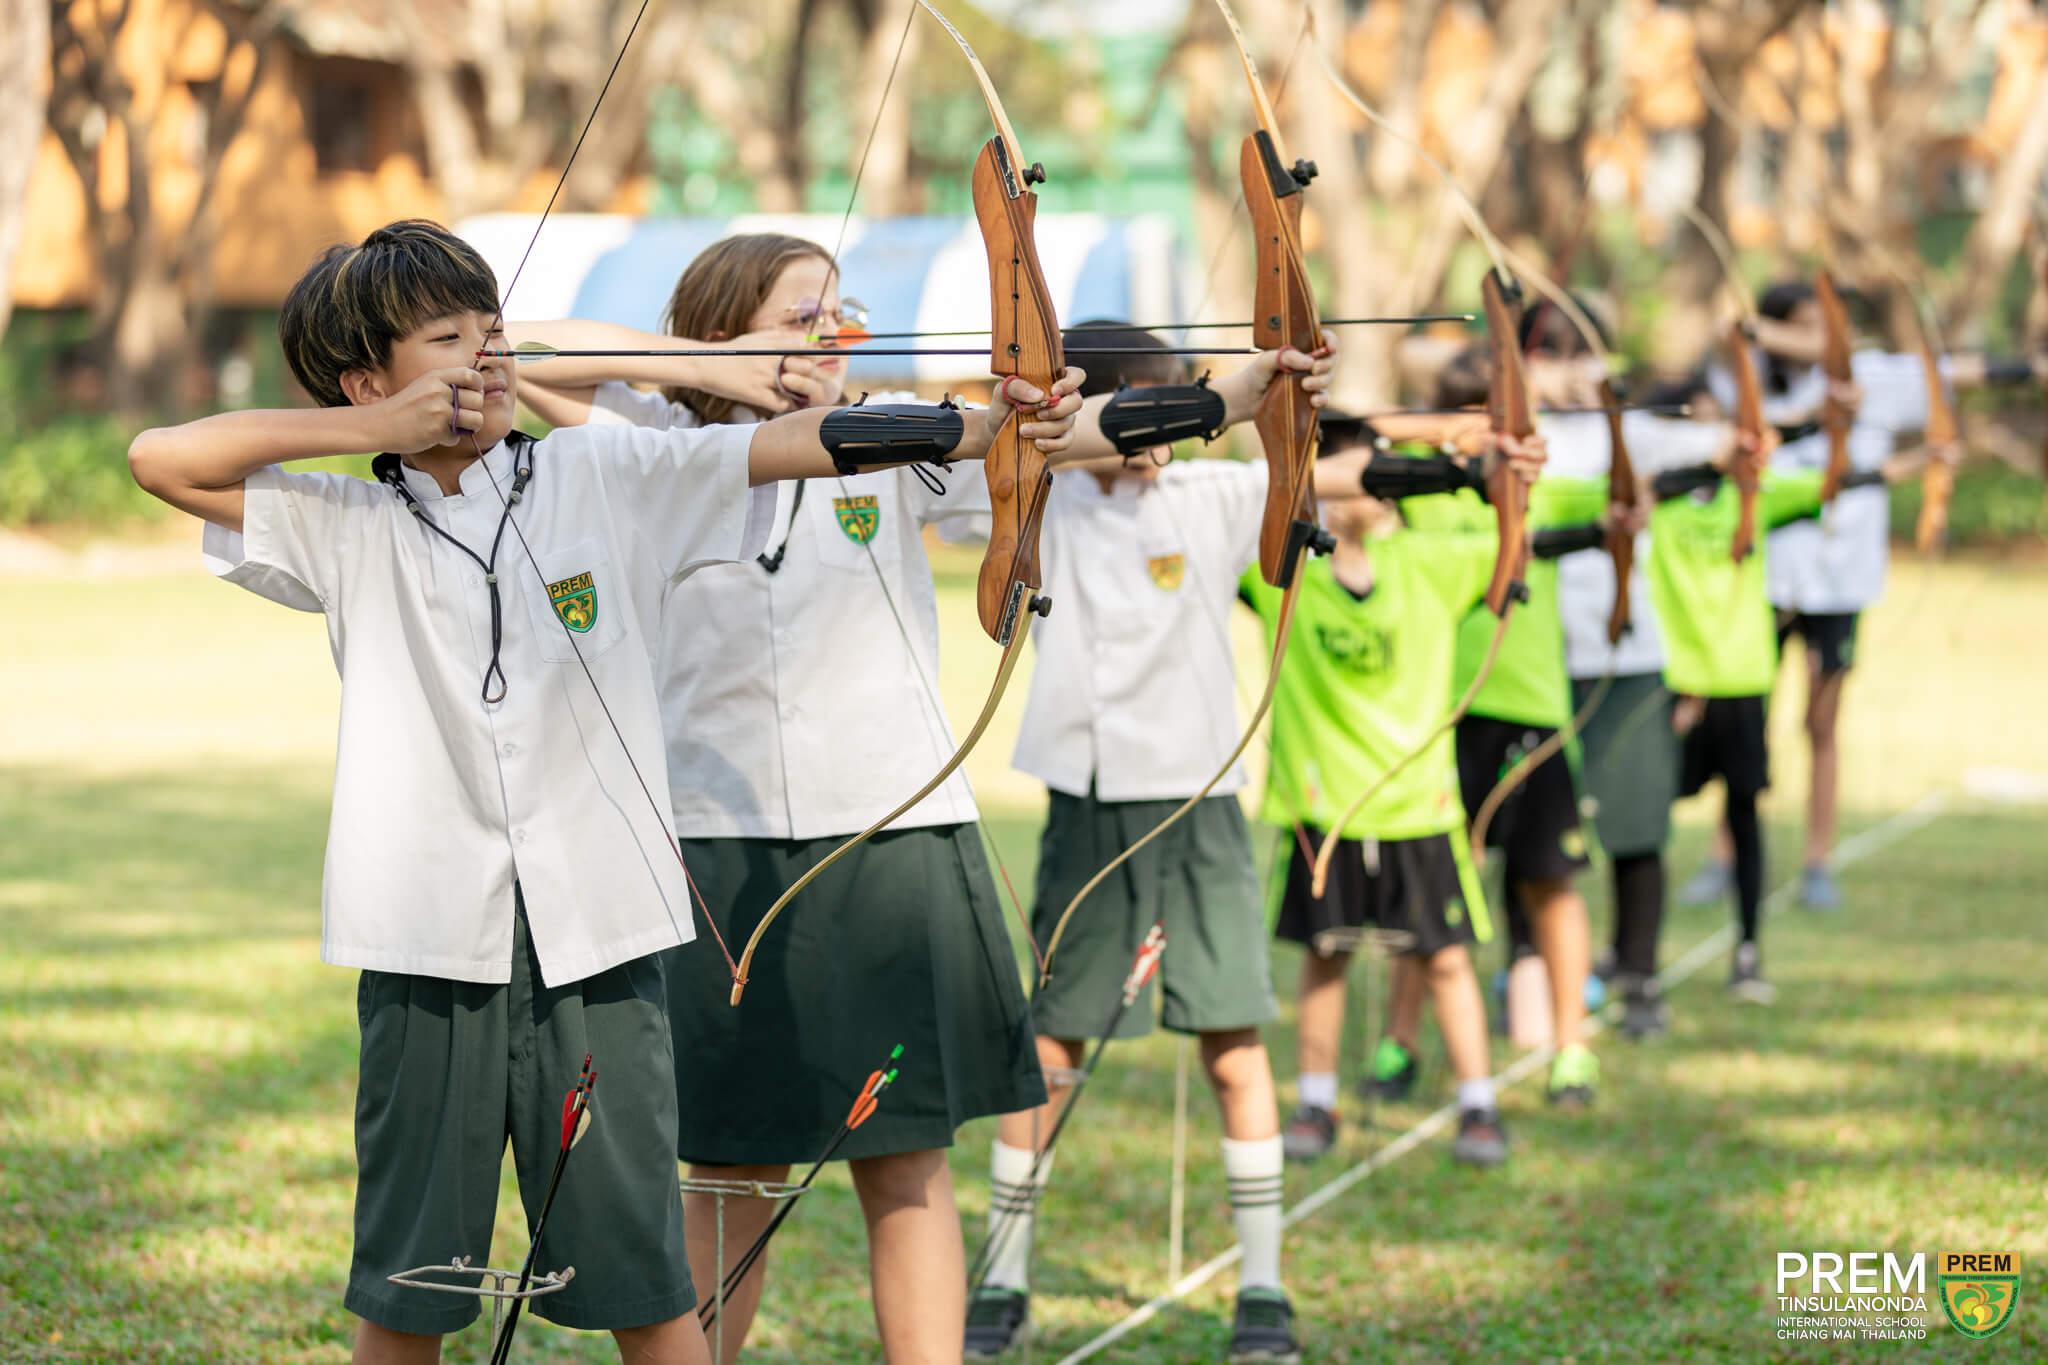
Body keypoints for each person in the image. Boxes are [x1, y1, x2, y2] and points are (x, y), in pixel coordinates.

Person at [126, 219, 1081, 1365]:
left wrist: (987, 427)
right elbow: (161, 457)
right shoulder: (348, 522)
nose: (487, 361)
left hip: (606, 942)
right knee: (408, 1281)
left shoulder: (602, 471)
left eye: (492, 336)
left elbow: (803, 446)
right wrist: (371, 432)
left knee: (643, 1277)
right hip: (428, 943)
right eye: (448, 341)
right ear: (367, 380)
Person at [513, 231, 1088, 1365]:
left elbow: (1029, 468)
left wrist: (1047, 419)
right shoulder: (651, 445)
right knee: (728, 1165)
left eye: (841, 313)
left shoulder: (899, 436)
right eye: (799, 316)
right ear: (721, 328)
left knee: (904, 1154)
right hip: (719, 851)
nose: (832, 335)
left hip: (891, 831)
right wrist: (718, 372)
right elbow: (525, 349)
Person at [965, 322, 1340, 1365]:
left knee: (1230, 1044)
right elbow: (1023, 440)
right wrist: (1076, 419)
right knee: (1048, 1049)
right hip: (1091, 801)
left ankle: (1261, 1288)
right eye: (1149, 410)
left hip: (1197, 799)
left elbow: (1322, 474)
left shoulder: (1212, 497)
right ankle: (1002, 1277)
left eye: (1180, 409)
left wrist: (1286, 395)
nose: (1163, 434)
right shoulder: (1038, 491)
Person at [1259, 417, 1556, 1178]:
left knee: (1448, 959)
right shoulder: (1284, 563)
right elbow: (1240, 489)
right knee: (1326, 959)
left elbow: (1510, 532)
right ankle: (1315, 1099)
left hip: (1417, 807)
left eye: (1363, 465)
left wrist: (1507, 466)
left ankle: (1478, 1103)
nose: (1351, 481)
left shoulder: (1430, 561)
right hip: (1322, 809)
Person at [1682, 283, 1998, 909]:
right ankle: (1727, 854)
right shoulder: (1749, 377)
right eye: (1802, 326)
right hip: (1769, 574)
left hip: (1841, 578)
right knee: (1747, 721)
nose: (1821, 341)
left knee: (1822, 721)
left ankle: (1818, 862)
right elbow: (1728, 341)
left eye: (1824, 327)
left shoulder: (1874, 376)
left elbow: (1963, 374)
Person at [1646, 377, 1942, 1000]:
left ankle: (1747, 952)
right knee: (1644, 823)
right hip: (1676, 684)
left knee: (1745, 814)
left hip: (1741, 683)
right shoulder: (1659, 499)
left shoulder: (1758, 496)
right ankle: (1633, 959)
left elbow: (1843, 480)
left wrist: (1911, 462)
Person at [1393, 344, 1600, 1107]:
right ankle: (1399, 1040)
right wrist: (1445, 442)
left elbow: (1622, 500)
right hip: (1441, 708)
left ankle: (1571, 1046)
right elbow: (1350, 455)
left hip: (1531, 707)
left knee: (1551, 881)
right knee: (1428, 885)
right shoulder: (1416, 486)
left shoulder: (1544, 483)